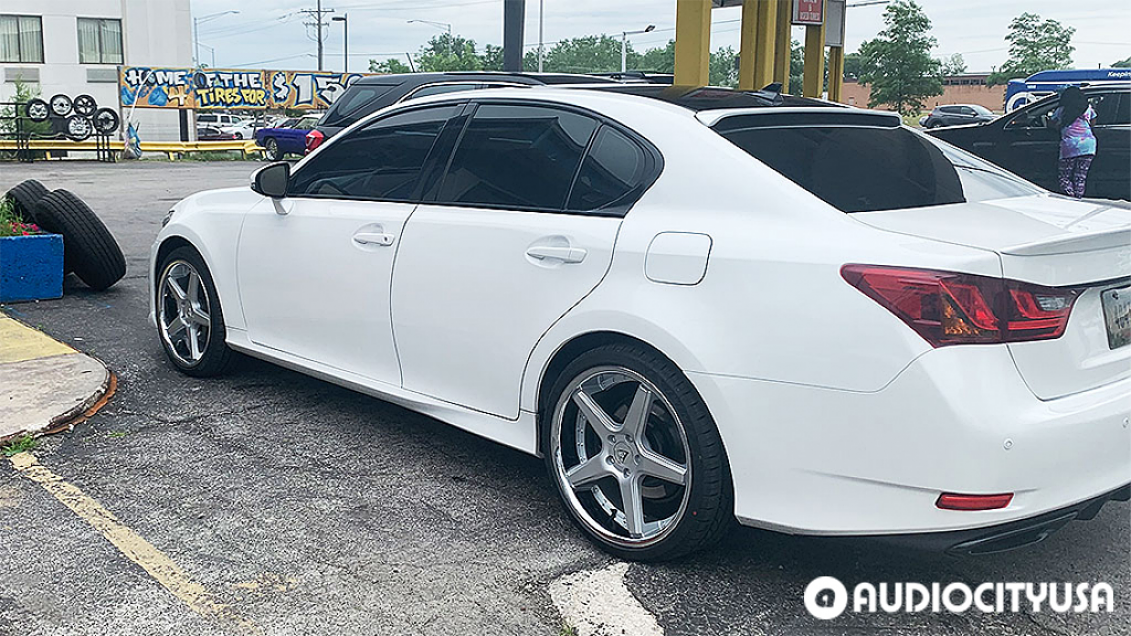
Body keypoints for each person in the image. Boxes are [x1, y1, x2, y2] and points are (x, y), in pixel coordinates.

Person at [1051, 86, 1097, 198]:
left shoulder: (1062, 110)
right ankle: (1079, 199)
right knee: (1080, 178)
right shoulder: (1088, 109)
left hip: (1070, 146)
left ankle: (1071, 198)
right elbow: (1093, 123)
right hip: (1089, 145)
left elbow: (1052, 124)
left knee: (1064, 178)